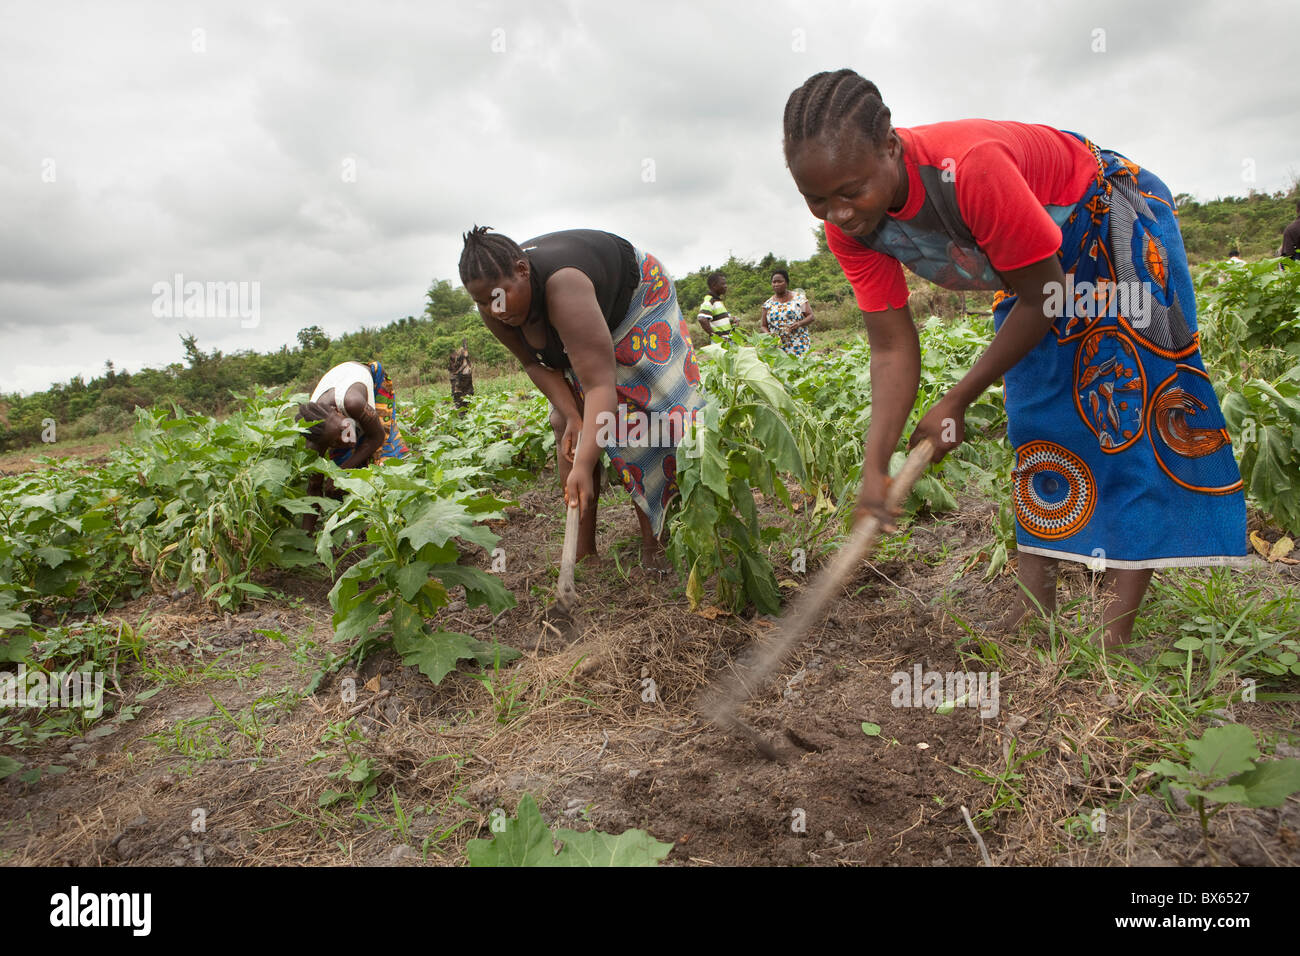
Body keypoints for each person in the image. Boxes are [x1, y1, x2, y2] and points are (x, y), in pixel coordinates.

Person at [782, 69, 1247, 649]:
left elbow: (1044, 298)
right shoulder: (850, 231)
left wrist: (957, 398)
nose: (839, 213)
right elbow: (892, 346)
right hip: (1033, 269)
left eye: (850, 192)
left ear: (891, 147)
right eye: (817, 199)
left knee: (1125, 412)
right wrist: (877, 464)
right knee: (1036, 420)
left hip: (1101, 221)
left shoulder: (970, 169)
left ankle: (1116, 629)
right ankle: (1036, 608)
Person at [458, 227, 705, 566]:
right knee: (564, 423)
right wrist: (574, 416)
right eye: (482, 302)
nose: (495, 309)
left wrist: (586, 462)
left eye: (499, 296)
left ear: (522, 271)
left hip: (635, 299)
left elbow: (600, 388)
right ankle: (583, 552)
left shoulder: (564, 289)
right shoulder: (494, 304)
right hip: (585, 328)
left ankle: (657, 541)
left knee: (639, 420)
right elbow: (533, 363)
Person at [297, 360, 411, 533]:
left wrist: (342, 470)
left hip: (372, 380)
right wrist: (304, 540)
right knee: (345, 460)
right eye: (334, 443)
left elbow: (377, 436)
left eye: (345, 430)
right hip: (341, 400)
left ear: (337, 411)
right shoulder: (316, 441)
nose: (348, 439)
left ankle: (398, 514)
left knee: (386, 453)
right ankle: (361, 515)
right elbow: (313, 487)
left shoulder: (353, 402)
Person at [760, 268, 815, 356]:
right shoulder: (767, 304)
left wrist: (799, 324)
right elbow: (763, 326)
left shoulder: (799, 299)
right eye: (774, 282)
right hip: (777, 346)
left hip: (798, 343)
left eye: (779, 281)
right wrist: (769, 335)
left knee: (800, 368)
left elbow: (810, 316)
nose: (776, 284)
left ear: (786, 283)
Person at [696, 271, 734, 339]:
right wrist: (715, 337)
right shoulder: (710, 300)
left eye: (725, 283)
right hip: (721, 345)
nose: (726, 286)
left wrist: (732, 321)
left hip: (727, 342)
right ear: (714, 286)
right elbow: (702, 319)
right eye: (723, 284)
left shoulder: (717, 301)